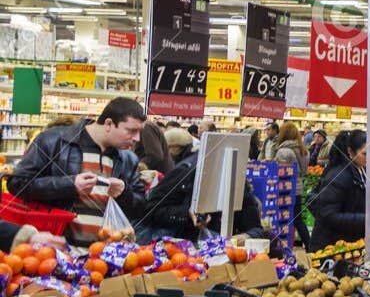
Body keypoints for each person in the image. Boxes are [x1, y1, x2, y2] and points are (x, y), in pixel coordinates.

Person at [6, 96, 148, 246]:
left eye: (139, 132)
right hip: (54, 249)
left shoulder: (128, 159)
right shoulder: (54, 140)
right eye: (131, 131)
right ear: (108, 124)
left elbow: (141, 208)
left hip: (105, 256)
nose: (137, 138)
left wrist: (124, 192)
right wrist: (69, 185)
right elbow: (18, 183)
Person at [140, 128, 268, 242]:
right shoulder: (186, 171)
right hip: (183, 252)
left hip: (219, 253)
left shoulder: (236, 180)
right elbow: (152, 210)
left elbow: (256, 228)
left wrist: (245, 237)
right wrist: (187, 213)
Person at [308, 130, 370, 250]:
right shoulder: (339, 176)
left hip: (346, 243)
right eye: (365, 154)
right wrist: (367, 219)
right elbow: (329, 215)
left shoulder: (361, 171)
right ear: (350, 151)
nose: (369, 158)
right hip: (330, 247)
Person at [135, 121, 172, 186]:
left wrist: (136, 167)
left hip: (157, 180)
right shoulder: (144, 127)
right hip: (155, 178)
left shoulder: (146, 127)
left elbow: (155, 155)